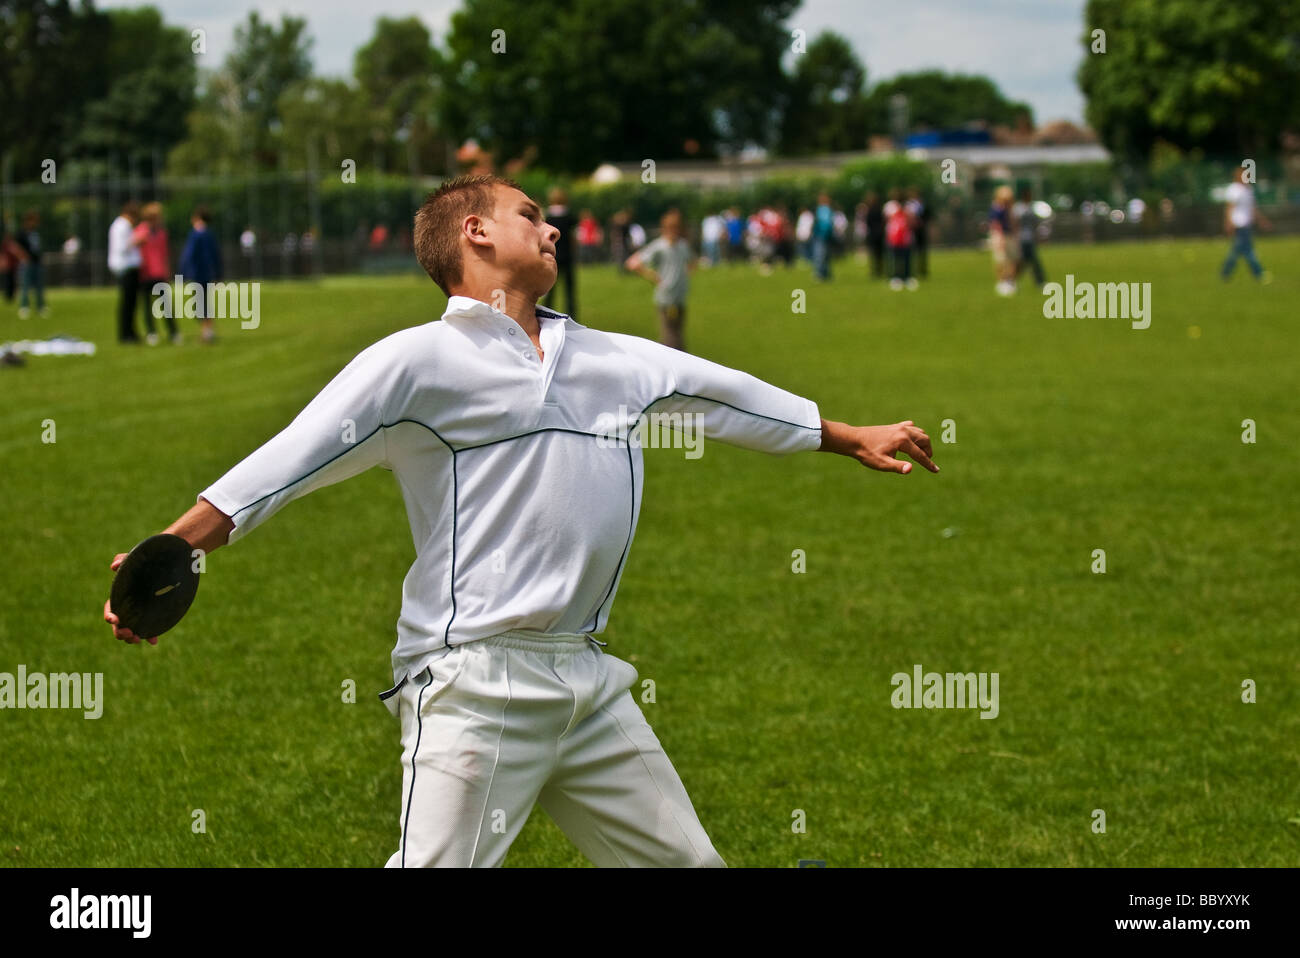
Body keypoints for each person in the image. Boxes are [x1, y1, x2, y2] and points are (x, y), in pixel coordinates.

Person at [104, 173, 939, 868]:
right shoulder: (416, 361)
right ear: (473, 232)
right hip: (476, 683)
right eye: (531, 216)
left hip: (588, 679)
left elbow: (725, 396)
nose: (552, 231)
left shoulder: (610, 358)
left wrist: (846, 435)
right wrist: (175, 547)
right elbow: (289, 459)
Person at [626, 208, 695, 351]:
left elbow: (692, 262)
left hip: (680, 296)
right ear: (665, 228)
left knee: (679, 334)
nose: (674, 231)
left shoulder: (682, 245)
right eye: (671, 228)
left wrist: (684, 276)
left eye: (677, 228)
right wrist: (652, 276)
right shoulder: (659, 246)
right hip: (665, 297)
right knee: (670, 338)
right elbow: (633, 263)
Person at [134, 202, 179, 345]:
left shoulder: (161, 233)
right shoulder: (140, 232)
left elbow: (165, 254)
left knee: (165, 305)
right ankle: (151, 332)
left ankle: (173, 332)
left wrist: (167, 272)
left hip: (159, 273)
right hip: (145, 273)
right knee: (147, 305)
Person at [179, 206, 222, 344]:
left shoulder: (195, 234)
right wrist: (217, 274)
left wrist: (183, 273)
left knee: (199, 304)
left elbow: (189, 256)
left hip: (197, 273)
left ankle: (206, 333)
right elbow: (216, 256)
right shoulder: (210, 234)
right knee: (204, 303)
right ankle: (208, 331)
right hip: (208, 273)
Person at [1221, 166, 1271, 282]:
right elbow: (1230, 208)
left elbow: (1253, 208)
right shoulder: (1234, 189)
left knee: (1237, 251)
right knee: (1248, 251)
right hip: (1238, 224)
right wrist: (1228, 222)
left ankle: (1225, 273)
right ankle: (1258, 273)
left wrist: (1262, 221)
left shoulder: (1249, 189)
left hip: (1246, 225)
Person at [108, 201, 142, 342]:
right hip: (126, 267)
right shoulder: (123, 226)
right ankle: (126, 334)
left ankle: (130, 332)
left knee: (130, 303)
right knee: (128, 303)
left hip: (127, 267)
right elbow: (122, 247)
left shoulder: (120, 225)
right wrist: (137, 240)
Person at [540, 187, 577, 318]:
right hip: (567, 255)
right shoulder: (570, 217)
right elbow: (574, 237)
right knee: (569, 288)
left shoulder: (547, 217)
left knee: (550, 287)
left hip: (553, 255)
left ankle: (546, 311)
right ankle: (572, 313)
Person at [1012, 187, 1047, 289]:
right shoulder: (1018, 208)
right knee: (1021, 262)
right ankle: (1011, 280)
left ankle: (1040, 282)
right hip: (1021, 238)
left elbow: (1035, 224)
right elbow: (1015, 223)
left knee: (1034, 262)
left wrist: (1038, 237)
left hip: (1030, 238)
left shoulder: (1031, 207)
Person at [15, 210, 48, 319]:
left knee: (39, 286)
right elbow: (16, 247)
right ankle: (24, 307)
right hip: (26, 263)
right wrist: (23, 257)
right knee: (25, 286)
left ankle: (41, 307)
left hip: (37, 262)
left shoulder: (36, 233)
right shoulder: (21, 233)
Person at [883, 190, 917, 291]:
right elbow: (887, 220)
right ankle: (895, 277)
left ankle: (907, 277)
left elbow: (912, 221)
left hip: (905, 237)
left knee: (906, 258)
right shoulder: (889, 207)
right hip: (893, 237)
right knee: (895, 258)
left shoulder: (909, 207)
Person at [988, 185, 1016, 296]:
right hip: (999, 235)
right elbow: (995, 224)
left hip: (1008, 234)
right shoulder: (996, 208)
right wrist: (1000, 238)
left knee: (1012, 259)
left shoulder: (1007, 208)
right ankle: (1001, 282)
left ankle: (1009, 281)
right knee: (1001, 260)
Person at [906, 188, 930, 278]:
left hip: (921, 230)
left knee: (922, 250)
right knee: (913, 250)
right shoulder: (909, 205)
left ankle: (923, 269)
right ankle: (914, 269)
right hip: (913, 231)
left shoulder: (922, 204)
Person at [811, 192, 834, 281]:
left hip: (821, 235)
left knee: (820, 255)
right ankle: (826, 274)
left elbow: (826, 224)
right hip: (825, 235)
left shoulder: (823, 210)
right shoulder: (827, 210)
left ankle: (820, 274)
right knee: (825, 256)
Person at [864, 192, 885, 279]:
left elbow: (868, 223)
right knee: (878, 254)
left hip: (874, 234)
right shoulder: (879, 209)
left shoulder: (870, 210)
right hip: (879, 234)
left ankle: (876, 271)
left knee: (875, 254)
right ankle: (878, 270)